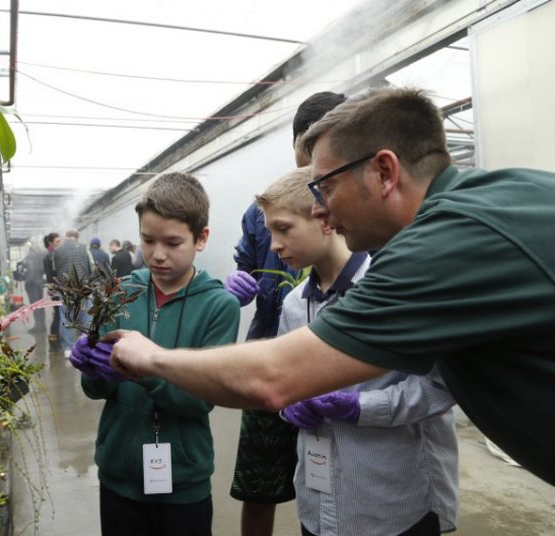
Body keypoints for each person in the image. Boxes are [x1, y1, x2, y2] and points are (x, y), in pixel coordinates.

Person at [106, 87, 555, 486]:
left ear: (384, 172)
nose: (319, 210)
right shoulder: (499, 193)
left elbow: (273, 377)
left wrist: (152, 357)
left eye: (324, 186)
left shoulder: (438, 246)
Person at [258, 167, 457, 536]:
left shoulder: (392, 292)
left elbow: (439, 389)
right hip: (317, 505)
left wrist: (359, 408)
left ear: (324, 220)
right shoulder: (294, 305)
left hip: (388, 507)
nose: (273, 246)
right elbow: (285, 384)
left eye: (283, 229)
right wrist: (290, 406)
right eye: (270, 231)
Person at [69, 172, 240, 536]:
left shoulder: (218, 306)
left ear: (201, 238)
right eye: (148, 240)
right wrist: (92, 367)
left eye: (173, 242)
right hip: (118, 474)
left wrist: (142, 370)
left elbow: (201, 400)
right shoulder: (119, 293)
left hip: (183, 481)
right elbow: (95, 392)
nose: (157, 254)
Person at [226, 92, 344, 536]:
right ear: (294, 145)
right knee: (259, 484)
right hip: (268, 357)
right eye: (306, 154)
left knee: (330, 475)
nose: (313, 170)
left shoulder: (353, 211)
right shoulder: (262, 213)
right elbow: (244, 269)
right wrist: (232, 291)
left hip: (330, 364)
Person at [51, 229, 92, 354]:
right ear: (77, 237)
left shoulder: (57, 250)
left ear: (66, 237)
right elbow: (91, 268)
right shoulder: (84, 248)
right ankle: (88, 345)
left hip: (65, 289)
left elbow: (55, 269)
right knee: (87, 317)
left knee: (66, 318)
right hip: (82, 287)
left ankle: (68, 348)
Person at [22, 237, 47, 332]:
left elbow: (30, 268)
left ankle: (39, 326)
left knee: (35, 305)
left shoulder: (32, 254)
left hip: (32, 282)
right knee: (40, 305)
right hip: (39, 281)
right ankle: (41, 325)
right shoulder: (43, 253)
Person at [42, 232, 61, 342]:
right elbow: (51, 274)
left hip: (53, 287)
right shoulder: (51, 256)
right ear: (51, 243)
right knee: (58, 313)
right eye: (57, 242)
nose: (60, 244)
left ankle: (54, 336)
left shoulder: (48, 256)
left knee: (57, 312)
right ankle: (54, 336)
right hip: (56, 287)